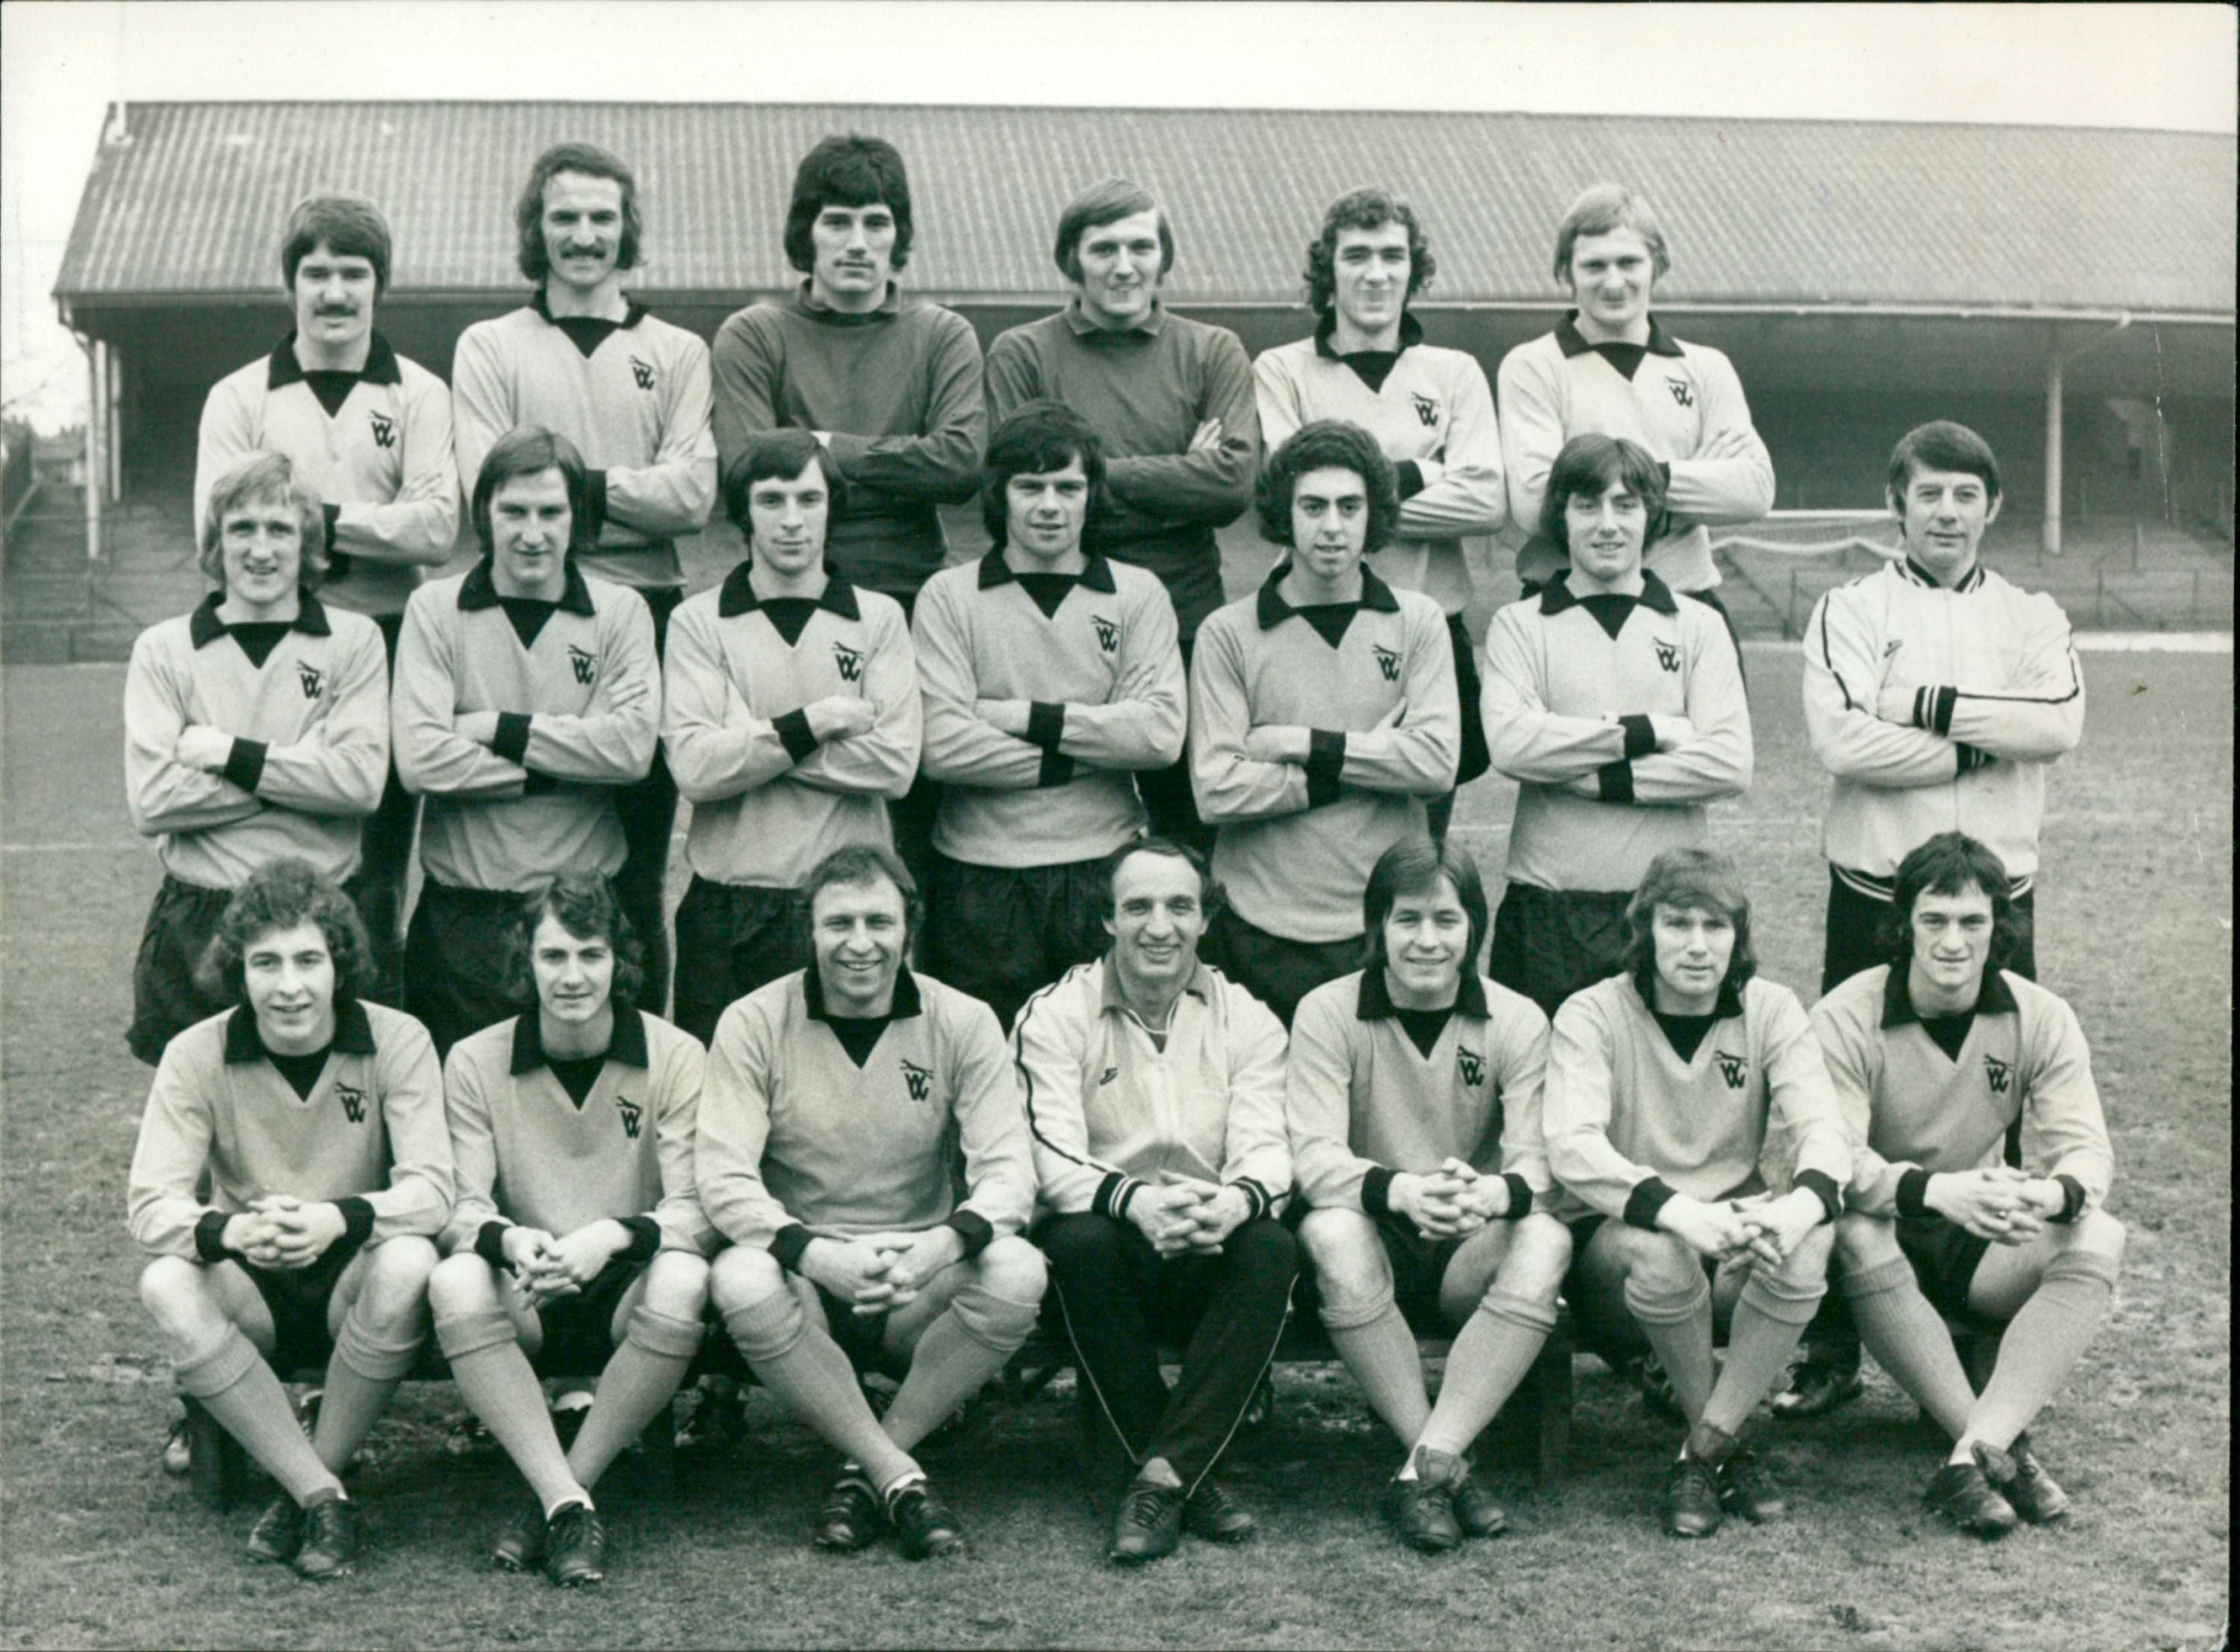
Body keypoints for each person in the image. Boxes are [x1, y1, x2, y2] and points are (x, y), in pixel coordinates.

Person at [1785, 420, 2085, 1418]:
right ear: (1896, 504)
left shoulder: (2032, 611)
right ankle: (1828, 1340)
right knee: (1843, 1119)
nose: (1947, 512)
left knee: (1984, 1118)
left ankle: (1961, 1336)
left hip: (1999, 903)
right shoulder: (1851, 604)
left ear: (1993, 507)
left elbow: (2057, 725)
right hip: (1875, 898)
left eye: (1966, 495)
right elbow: (1842, 738)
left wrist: (1925, 701)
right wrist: (1975, 745)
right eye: (1929, 495)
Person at [700, 847, 1046, 1561]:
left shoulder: (964, 1019)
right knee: (738, 1274)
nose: (860, 942)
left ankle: (868, 1466)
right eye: (840, 923)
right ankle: (895, 1475)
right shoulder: (753, 1020)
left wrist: (940, 1247)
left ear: (909, 927)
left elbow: (1009, 1171)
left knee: (1018, 1268)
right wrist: (818, 1254)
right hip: (810, 1278)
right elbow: (724, 1176)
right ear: (810, 930)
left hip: (916, 1280)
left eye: (879, 921)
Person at [128, 860, 450, 1580]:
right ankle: (321, 1493)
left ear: (340, 962)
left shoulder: (398, 1040)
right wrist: (232, 1232)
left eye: (309, 959)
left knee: (411, 1261)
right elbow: (151, 1203)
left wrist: (337, 1219)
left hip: (351, 1276)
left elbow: (434, 1190)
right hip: (254, 1278)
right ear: (236, 968)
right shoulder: (194, 1053)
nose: (290, 985)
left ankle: (311, 1478)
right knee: (166, 1282)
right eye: (265, 963)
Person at [452, 141, 715, 1014]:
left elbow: (691, 493)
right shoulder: (490, 346)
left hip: (643, 610)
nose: (584, 235)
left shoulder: (676, 349)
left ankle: (636, 1058)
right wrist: (618, 493)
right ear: (537, 228)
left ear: (626, 228)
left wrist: (558, 494)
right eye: (564, 216)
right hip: (517, 605)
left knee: (634, 868)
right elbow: (481, 484)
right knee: (506, 834)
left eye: (602, 217)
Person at [1814, 833, 2121, 1538]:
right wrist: (1938, 1191)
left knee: (2099, 1230)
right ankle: (2000, 1445)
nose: (1953, 941)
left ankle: (1963, 1460)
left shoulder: (2041, 1014)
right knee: (1859, 1227)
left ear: (1999, 928)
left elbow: (2085, 1151)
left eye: (1973, 922)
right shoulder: (1843, 1015)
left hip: (1973, 1235)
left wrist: (2050, 1195)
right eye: (1935, 920)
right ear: (1904, 926)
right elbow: (1834, 1160)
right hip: (1870, 1236)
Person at [193, 193, 458, 1001]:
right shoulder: (240, 396)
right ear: (291, 286)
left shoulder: (417, 393)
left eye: (354, 273)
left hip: (385, 634)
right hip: (276, 634)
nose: (335, 292)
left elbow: (438, 526)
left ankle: (371, 1055)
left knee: (376, 872)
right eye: (317, 273)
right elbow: (216, 531)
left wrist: (307, 518)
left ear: (381, 285)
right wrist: (374, 526)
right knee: (274, 833)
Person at [1542, 849, 1849, 1538]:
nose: (1697, 945)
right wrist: (1684, 1215)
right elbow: (1571, 1145)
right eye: (1677, 924)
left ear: (1740, 935)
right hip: (1623, 1243)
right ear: (1643, 929)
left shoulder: (1772, 1007)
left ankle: (1703, 1448)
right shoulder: (1590, 1012)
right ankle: (1724, 1436)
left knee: (1815, 1236)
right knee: (1662, 1255)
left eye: (1716, 926)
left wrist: (1797, 1207)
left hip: (1733, 1228)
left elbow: (1826, 1130)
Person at [709, 134, 981, 890]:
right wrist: (899, 460)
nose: (858, 243)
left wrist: (820, 446)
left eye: (877, 222)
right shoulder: (755, 334)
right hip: (786, 600)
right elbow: (742, 472)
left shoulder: (941, 334)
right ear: (806, 233)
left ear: (900, 234)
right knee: (785, 803)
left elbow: (960, 463)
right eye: (837, 222)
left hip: (909, 600)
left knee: (916, 827)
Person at [1012, 838, 1294, 1564]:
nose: (1159, 925)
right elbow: (1044, 1153)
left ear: (1206, 917)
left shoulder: (1248, 1016)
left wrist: (1235, 1203)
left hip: (1207, 1238)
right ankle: (1184, 1474)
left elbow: (1268, 1149)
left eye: (1179, 905)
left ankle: (1159, 1475)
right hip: (1109, 1247)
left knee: (1273, 1245)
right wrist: (1132, 1199)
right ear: (1106, 918)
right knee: (1077, 1240)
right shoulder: (1054, 1013)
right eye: (1137, 906)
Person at [429, 876, 715, 1586]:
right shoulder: (473, 1059)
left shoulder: (676, 1054)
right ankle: (570, 1503)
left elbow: (697, 1209)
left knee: (686, 1275)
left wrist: (608, 1238)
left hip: (625, 1278)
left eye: (591, 954)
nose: (573, 975)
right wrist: (511, 1240)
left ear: (621, 959)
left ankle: (556, 1492)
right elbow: (460, 1205)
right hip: (528, 1280)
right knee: (454, 1275)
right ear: (524, 962)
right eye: (552, 956)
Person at [1287, 838, 1570, 1552]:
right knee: (1326, 1230)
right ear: (1376, 925)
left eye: (1447, 920)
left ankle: (1424, 1465)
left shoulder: (1517, 1018)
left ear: (1474, 925)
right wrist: (1400, 1190)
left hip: (1466, 1248)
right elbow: (1313, 1158)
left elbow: (1542, 1163)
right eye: (1406, 918)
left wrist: (1489, 1194)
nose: (1426, 939)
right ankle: (1443, 1464)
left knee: (1549, 1236)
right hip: (1376, 1234)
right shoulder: (1326, 1011)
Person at [985, 178, 1260, 846]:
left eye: (1142, 246)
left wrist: (1090, 472)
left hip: (1186, 614)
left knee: (1191, 830)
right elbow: (1015, 490)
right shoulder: (1021, 352)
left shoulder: (1213, 349)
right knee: (1064, 811)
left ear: (1164, 257)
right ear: (1071, 260)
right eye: (1103, 248)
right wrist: (1176, 473)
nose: (1124, 264)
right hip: (1057, 614)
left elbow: (1230, 486)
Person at [914, 402, 1185, 1031]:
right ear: (998, 495)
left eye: (1068, 487)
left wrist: (1013, 715)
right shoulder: (948, 596)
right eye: (1029, 486)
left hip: (1102, 865)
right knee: (982, 1066)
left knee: (1103, 1063)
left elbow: (1160, 735)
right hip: (978, 873)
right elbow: (943, 747)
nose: (1049, 505)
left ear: (1092, 496)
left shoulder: (1137, 592)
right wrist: (1095, 745)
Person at [392, 426, 659, 1057]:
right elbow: (420, 760)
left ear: (578, 518)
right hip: (463, 913)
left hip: (583, 912)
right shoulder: (434, 608)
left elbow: (630, 753)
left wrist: (495, 729)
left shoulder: (622, 612)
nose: (532, 532)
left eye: (551, 511)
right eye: (513, 511)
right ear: (484, 514)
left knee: (578, 1114)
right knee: (458, 1117)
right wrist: (571, 762)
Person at [1252, 187, 1504, 838]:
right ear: (1327, 271)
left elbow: (1487, 499)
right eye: (1356, 255)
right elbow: (1292, 501)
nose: (1375, 272)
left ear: (1413, 272)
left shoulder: (1455, 372)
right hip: (1315, 622)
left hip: (1430, 625)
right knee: (1316, 817)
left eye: (1393, 256)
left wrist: (1345, 488)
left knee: (1420, 836)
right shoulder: (1282, 369)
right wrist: (1426, 469)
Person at [1189, 420, 1458, 1025]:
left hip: (1382, 924)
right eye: (1312, 506)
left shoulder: (1418, 620)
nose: (1332, 526)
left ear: (1375, 515)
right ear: (1285, 513)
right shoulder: (1228, 632)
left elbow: (1436, 765)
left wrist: (1298, 743)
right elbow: (1217, 790)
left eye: (1349, 506)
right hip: (1258, 925)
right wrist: (1368, 758)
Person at [126, 453, 389, 1065]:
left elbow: (360, 783)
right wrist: (301, 767)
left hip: (324, 912)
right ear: (216, 543)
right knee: (198, 1131)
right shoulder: (162, 650)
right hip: (201, 914)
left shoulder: (355, 641)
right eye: (242, 528)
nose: (262, 549)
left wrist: (227, 755)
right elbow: (154, 798)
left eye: (281, 528)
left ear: (309, 541)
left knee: (321, 1126)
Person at [1480, 433, 1752, 1018]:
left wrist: (1599, 779)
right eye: (1588, 505)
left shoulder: (1700, 625)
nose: (1607, 524)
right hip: (1547, 907)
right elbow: (1512, 743)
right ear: (1562, 516)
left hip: (1670, 910)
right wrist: (1650, 730)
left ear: (1651, 516)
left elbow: (1728, 762)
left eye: (1625, 505)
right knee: (1542, 1093)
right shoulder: (1518, 625)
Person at [662, 428, 921, 1043]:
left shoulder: (879, 617)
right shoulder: (697, 621)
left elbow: (894, 765)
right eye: (771, 501)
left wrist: (751, 736)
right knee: (721, 1103)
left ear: (833, 508)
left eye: (809, 500)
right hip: (728, 905)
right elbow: (696, 769)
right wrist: (819, 721)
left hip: (841, 906)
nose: (791, 520)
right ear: (743, 513)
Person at [1496, 181, 1773, 638]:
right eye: (1593, 265)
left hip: (1687, 605)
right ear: (1566, 271)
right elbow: (1535, 504)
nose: (1612, 281)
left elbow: (1755, 488)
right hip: (1565, 608)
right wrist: (1690, 480)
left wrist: (1612, 487)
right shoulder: (1531, 366)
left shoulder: (1706, 367)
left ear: (1657, 264)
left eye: (1628, 262)